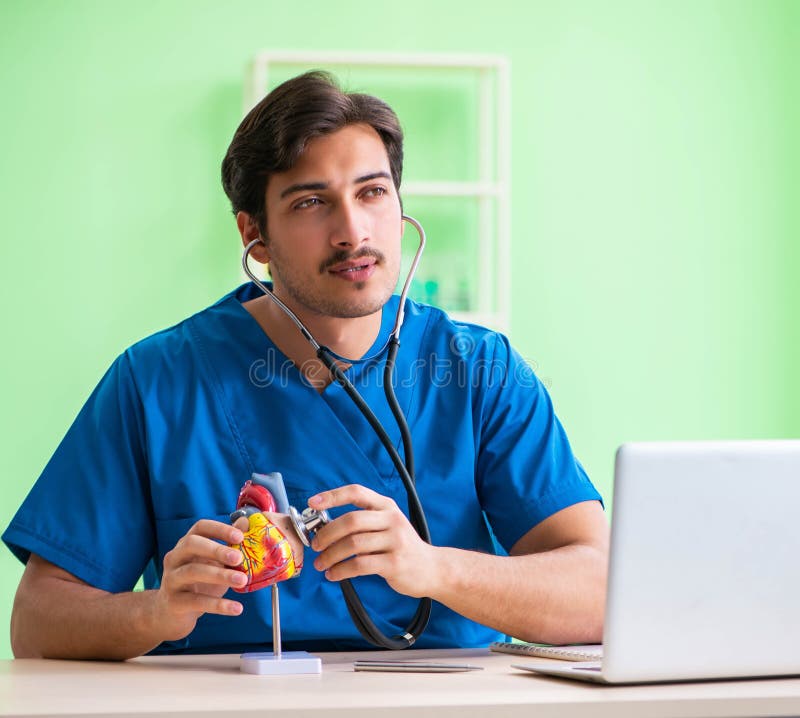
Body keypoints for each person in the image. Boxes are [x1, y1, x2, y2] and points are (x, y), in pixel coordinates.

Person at [4, 71, 609, 660]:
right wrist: (155, 611)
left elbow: (600, 594)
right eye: (312, 202)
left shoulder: (481, 371)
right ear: (255, 236)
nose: (352, 231)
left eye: (372, 193)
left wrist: (433, 567)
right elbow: (38, 622)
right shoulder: (157, 379)